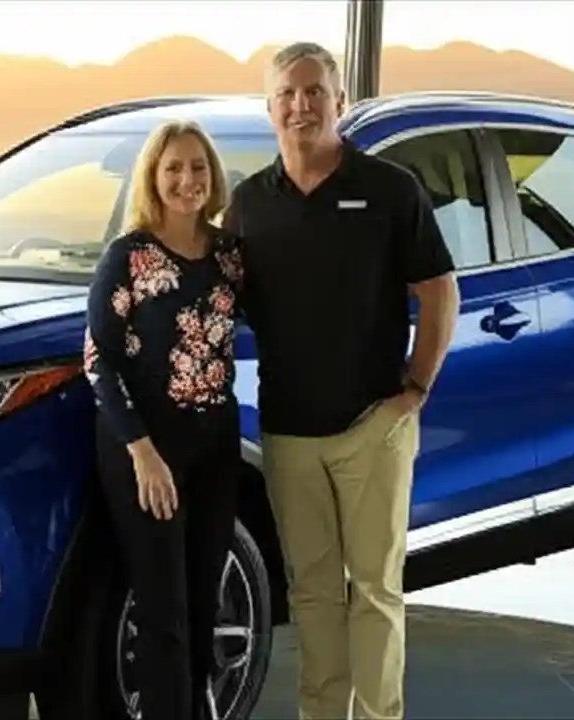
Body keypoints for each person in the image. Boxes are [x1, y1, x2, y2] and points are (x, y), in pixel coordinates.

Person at [223, 42, 460, 719]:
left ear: (339, 102)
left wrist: (414, 391)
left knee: (377, 589)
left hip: (372, 426)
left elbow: (440, 292)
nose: (301, 105)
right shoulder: (248, 206)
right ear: (270, 109)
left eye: (314, 91)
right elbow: (210, 302)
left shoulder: (388, 190)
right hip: (287, 431)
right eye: (287, 94)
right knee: (313, 594)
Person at [84, 119, 245, 720]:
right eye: (174, 168)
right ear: (154, 176)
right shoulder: (128, 257)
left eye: (198, 167)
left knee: (204, 602)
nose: (187, 180)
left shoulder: (230, 257)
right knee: (164, 611)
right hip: (144, 451)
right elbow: (99, 361)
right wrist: (144, 454)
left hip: (216, 444)